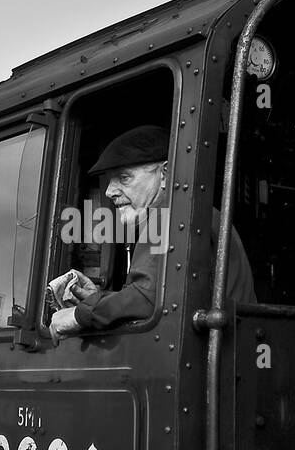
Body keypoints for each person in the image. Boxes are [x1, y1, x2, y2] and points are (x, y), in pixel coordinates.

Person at [49, 125, 256, 337]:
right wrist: (99, 300)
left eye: (124, 177)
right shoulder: (200, 213)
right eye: (110, 180)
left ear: (165, 174)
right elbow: (162, 295)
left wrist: (78, 315)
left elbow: (147, 299)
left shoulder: (169, 215)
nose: (110, 191)